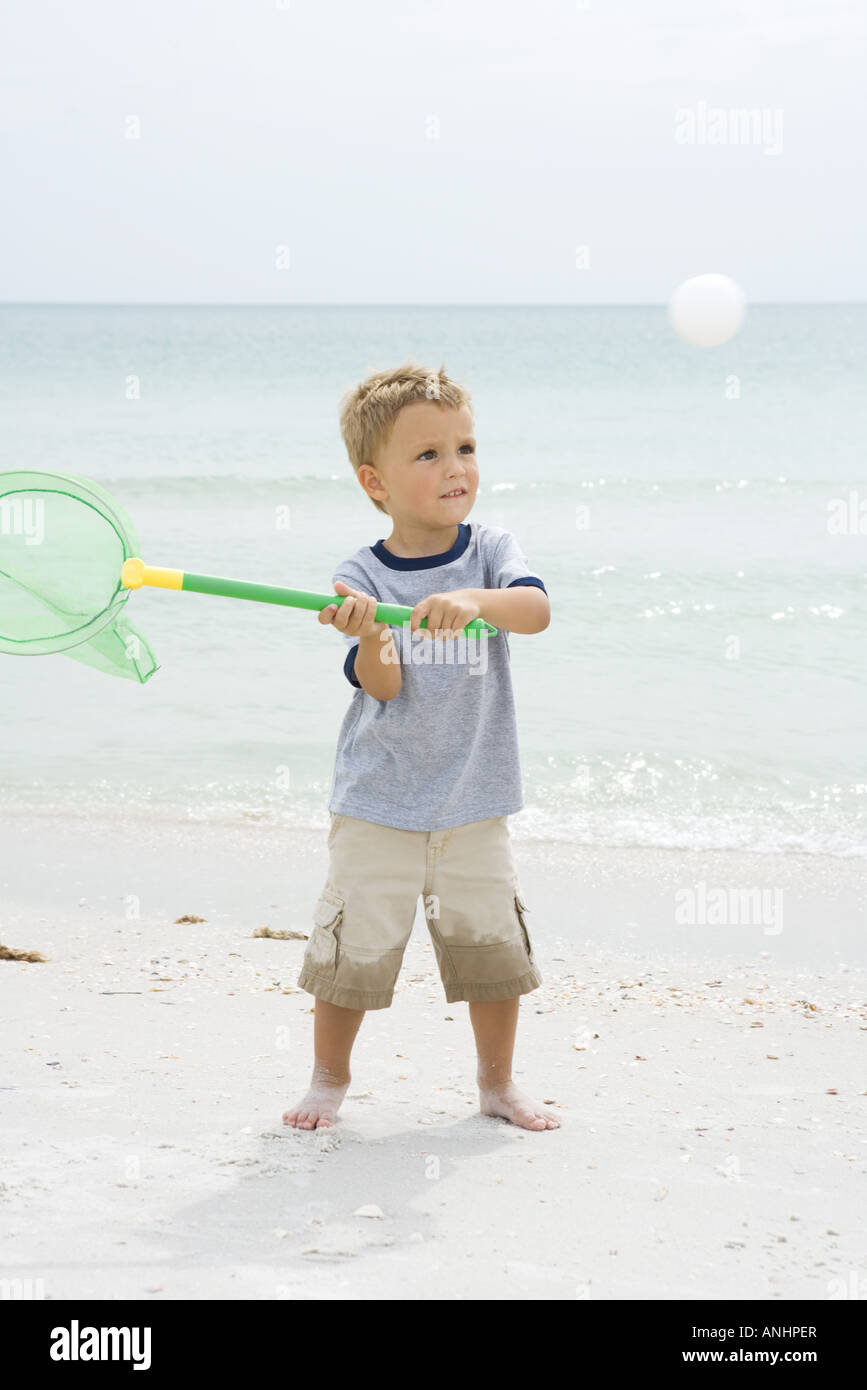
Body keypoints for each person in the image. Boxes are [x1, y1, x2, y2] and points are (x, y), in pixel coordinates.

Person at [283, 361, 559, 1132]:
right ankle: (328, 1079)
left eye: (465, 448)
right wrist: (373, 633)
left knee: (490, 952)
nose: (456, 468)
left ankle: (497, 1085)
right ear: (375, 481)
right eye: (429, 455)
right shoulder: (359, 575)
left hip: (474, 799)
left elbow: (534, 612)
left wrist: (471, 600)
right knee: (351, 956)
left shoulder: (490, 551)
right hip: (380, 803)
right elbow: (383, 687)